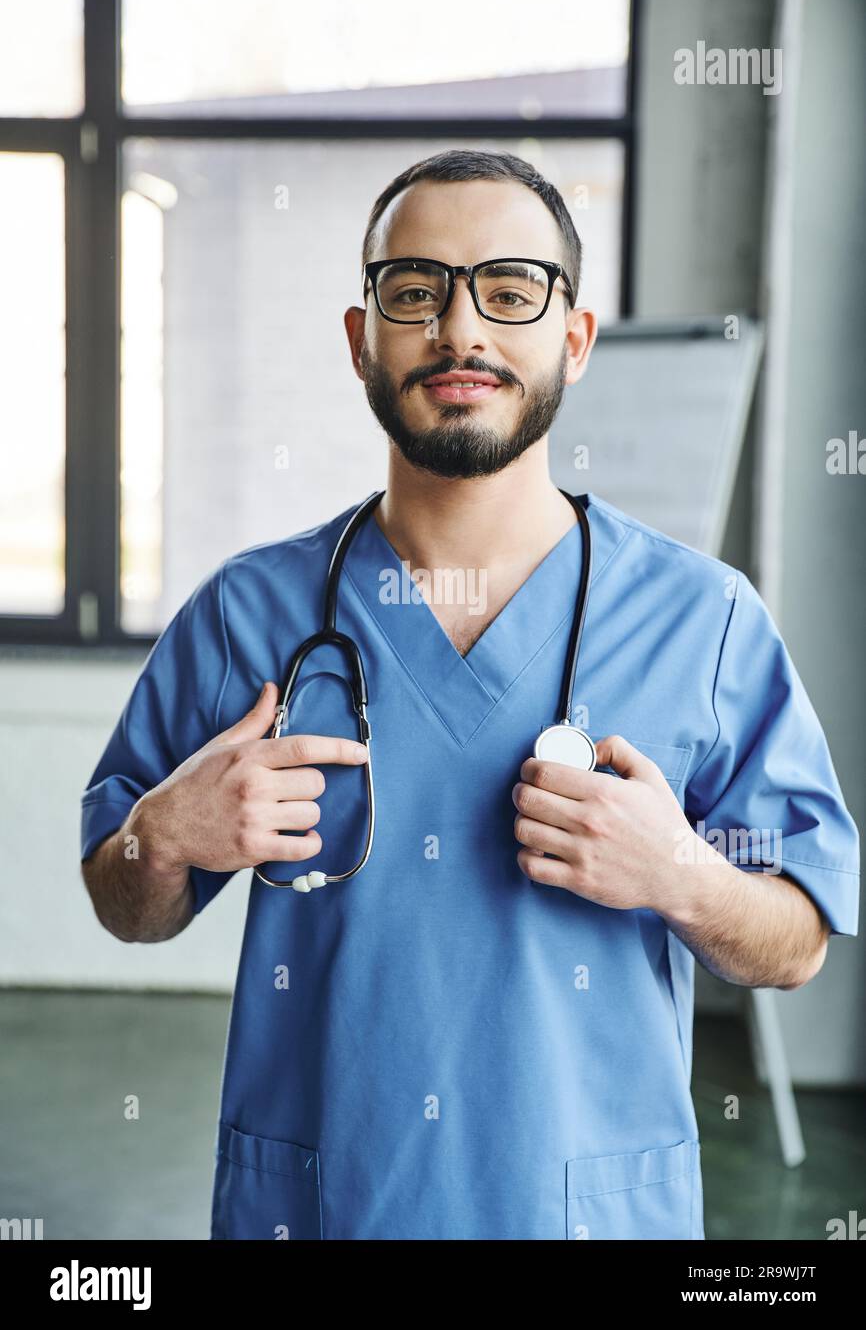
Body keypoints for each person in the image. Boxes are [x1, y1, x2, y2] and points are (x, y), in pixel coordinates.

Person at [80, 149, 860, 1241]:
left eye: (509, 290)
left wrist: (677, 872)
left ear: (572, 339)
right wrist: (162, 838)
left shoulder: (704, 621)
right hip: (320, 1210)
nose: (461, 331)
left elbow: (798, 940)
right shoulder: (246, 613)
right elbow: (120, 897)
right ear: (361, 341)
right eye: (415, 290)